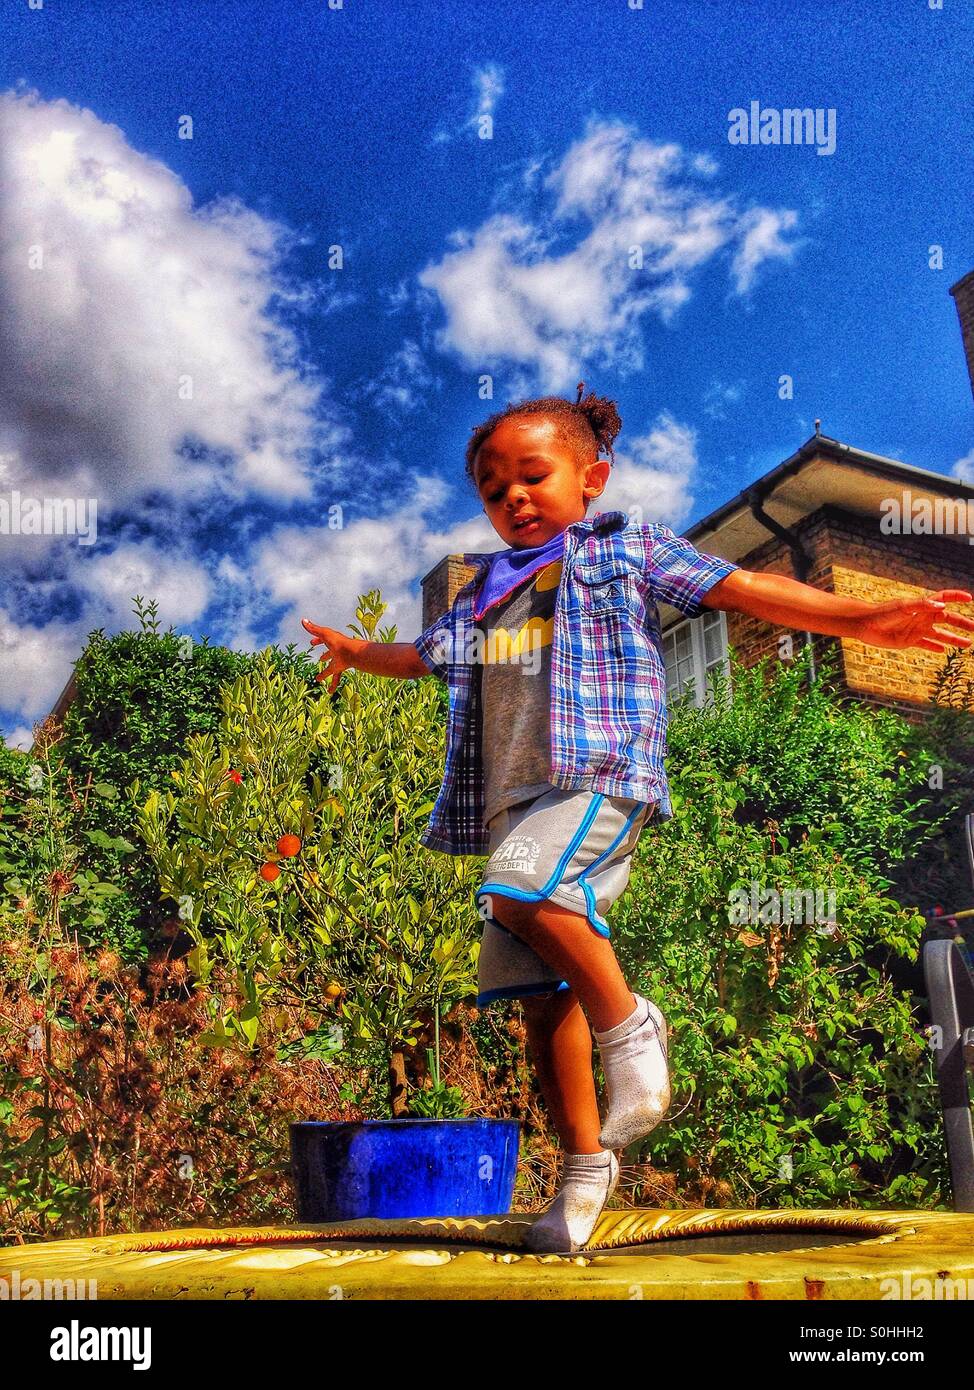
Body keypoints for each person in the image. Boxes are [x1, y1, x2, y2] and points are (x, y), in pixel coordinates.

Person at [302, 383, 974, 1252]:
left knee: (522, 889)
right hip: (512, 803)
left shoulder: (625, 549)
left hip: (599, 775)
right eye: (494, 489)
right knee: (540, 1002)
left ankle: (633, 1026)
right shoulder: (478, 599)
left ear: (592, 478)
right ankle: (583, 1177)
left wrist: (865, 616)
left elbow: (746, 589)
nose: (513, 497)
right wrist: (358, 652)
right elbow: (422, 658)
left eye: (533, 476)